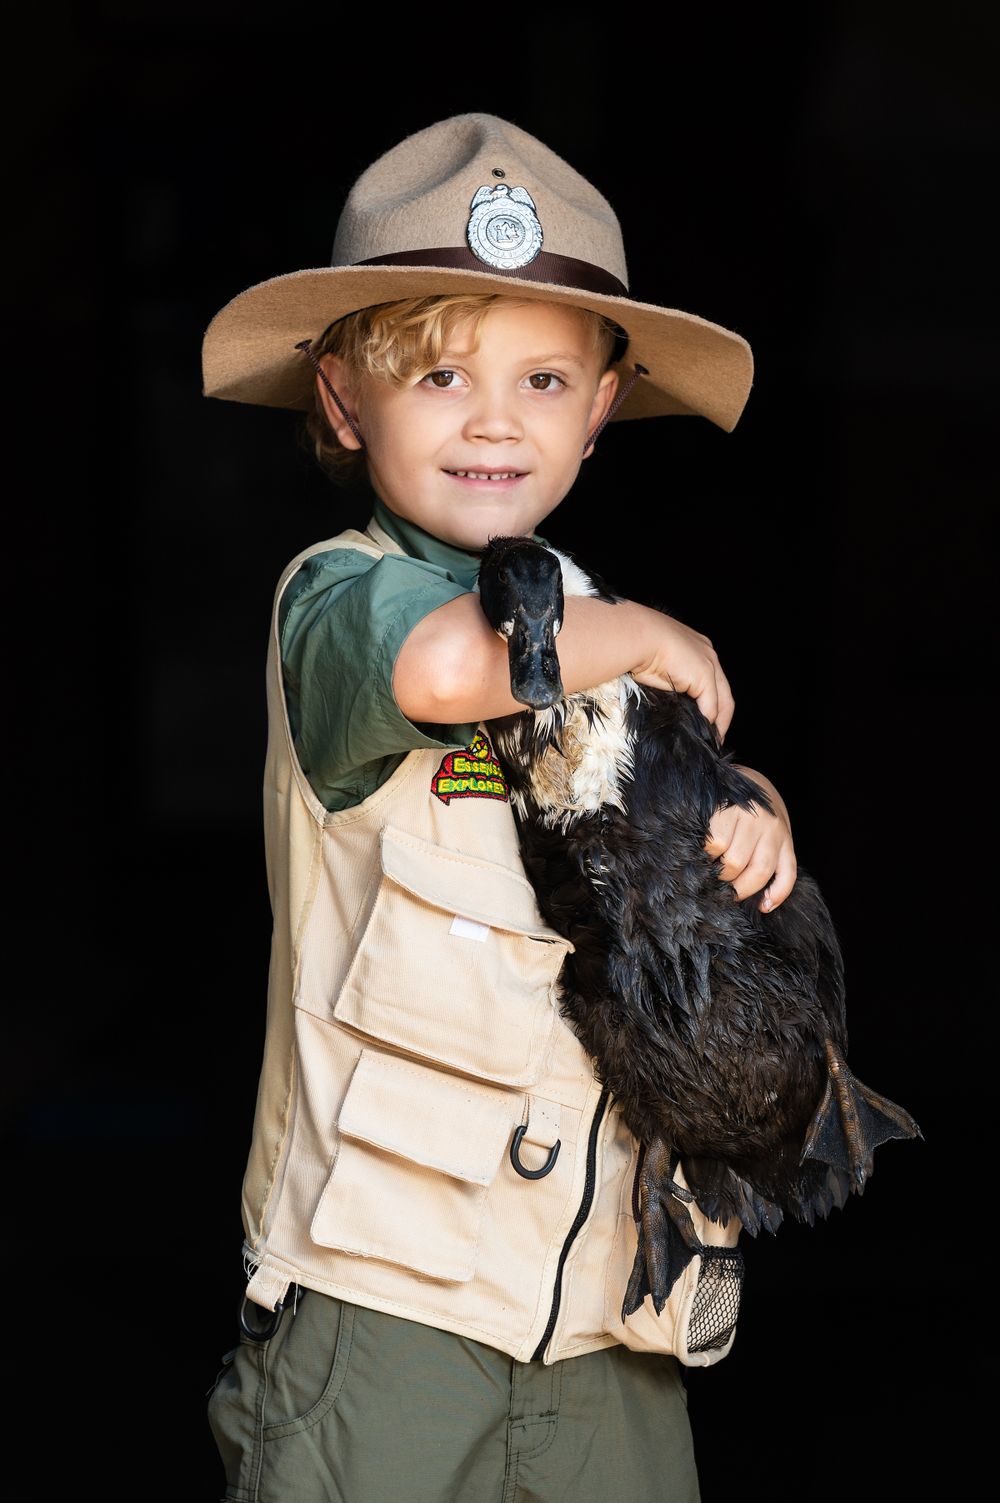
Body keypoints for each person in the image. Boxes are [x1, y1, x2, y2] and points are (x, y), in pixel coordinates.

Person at [202, 113, 797, 1503]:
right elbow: (447, 662)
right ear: (344, 401)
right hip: (384, 1310)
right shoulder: (341, 601)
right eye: (440, 375)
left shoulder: (595, 622)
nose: (492, 419)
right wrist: (640, 634)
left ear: (600, 409)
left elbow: (687, 791)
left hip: (612, 1310)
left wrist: (751, 814)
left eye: (541, 378)